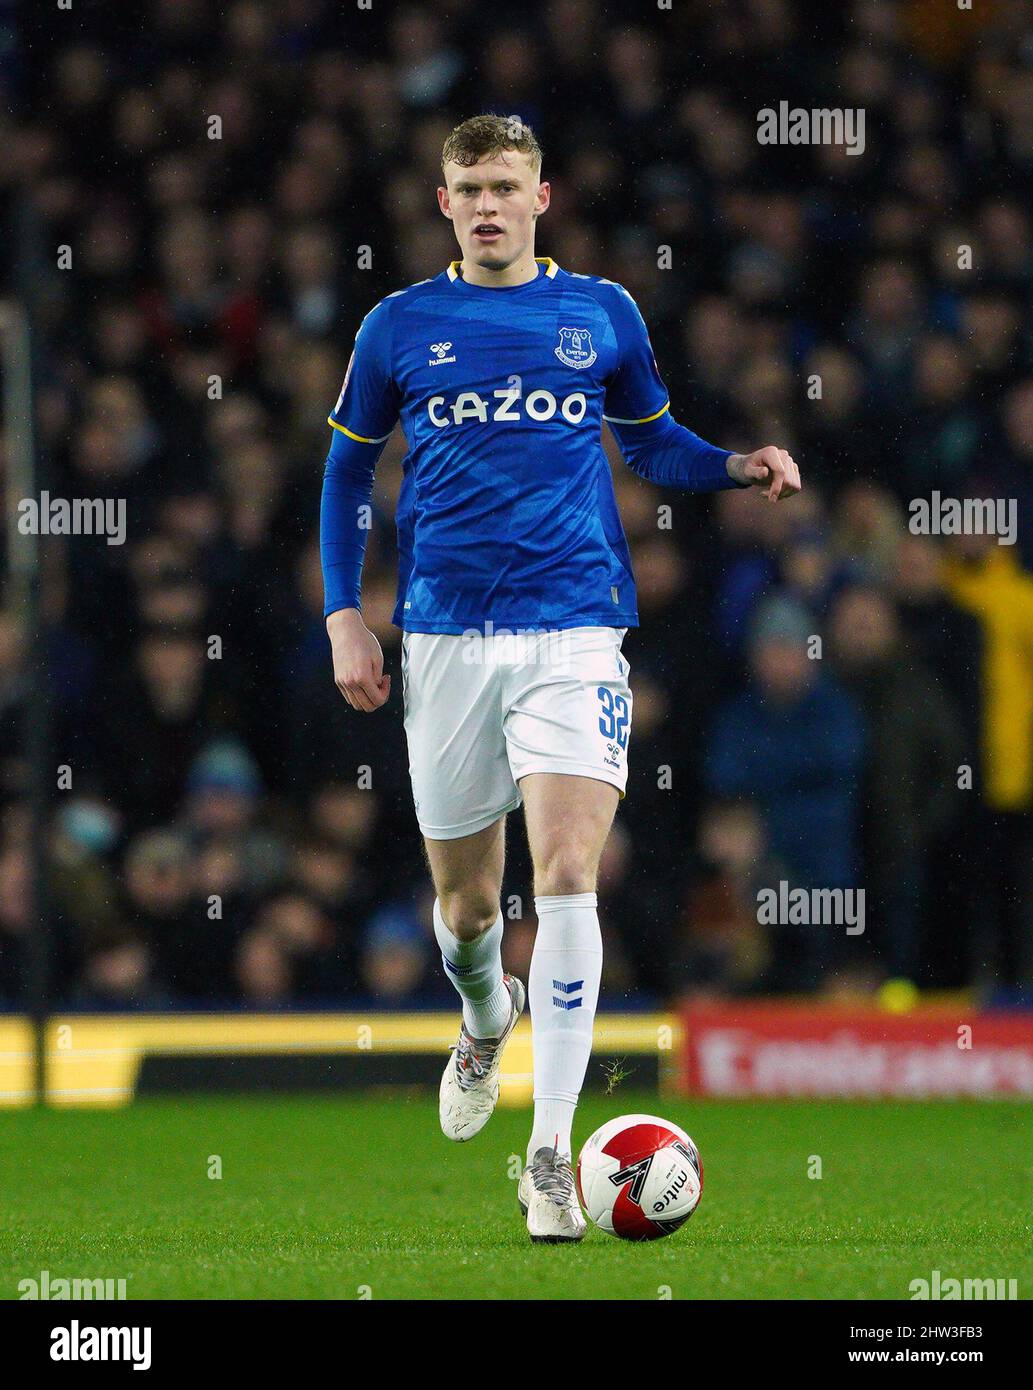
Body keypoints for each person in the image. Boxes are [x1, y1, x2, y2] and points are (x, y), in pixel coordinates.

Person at [319, 114, 801, 1242]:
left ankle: (548, 1152)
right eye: (467, 187)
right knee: (467, 907)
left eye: (505, 186)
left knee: (572, 869)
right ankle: (486, 1016)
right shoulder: (398, 327)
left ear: (544, 197)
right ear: (443, 205)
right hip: (442, 637)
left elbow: (650, 443)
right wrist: (346, 610)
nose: (487, 204)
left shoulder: (602, 314)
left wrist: (732, 465)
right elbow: (346, 469)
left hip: (577, 625)